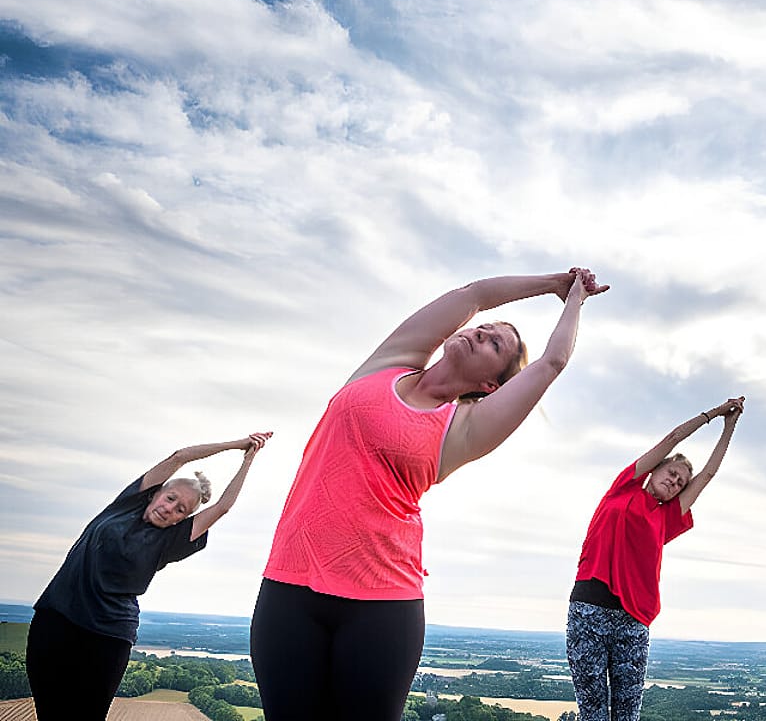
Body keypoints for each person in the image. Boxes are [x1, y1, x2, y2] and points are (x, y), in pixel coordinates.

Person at [251, 269, 607, 720]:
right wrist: (553, 281)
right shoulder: (387, 364)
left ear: (491, 387)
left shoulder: (463, 429)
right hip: (289, 587)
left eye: (494, 345)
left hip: (381, 606)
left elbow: (551, 363)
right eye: (484, 329)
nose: (480, 333)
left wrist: (574, 298)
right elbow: (474, 295)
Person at [25, 432, 272, 721]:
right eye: (170, 498)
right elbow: (179, 457)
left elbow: (223, 507)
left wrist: (248, 458)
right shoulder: (127, 503)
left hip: (107, 636)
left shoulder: (172, 540)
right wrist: (235, 444)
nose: (170, 508)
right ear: (155, 493)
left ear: (183, 519)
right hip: (55, 621)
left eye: (181, 509)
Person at [566, 397, 744, 721]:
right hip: (588, 611)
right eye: (672, 473)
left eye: (680, 483)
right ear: (656, 468)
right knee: (593, 714)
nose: (674, 482)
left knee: (627, 716)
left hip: (632, 622)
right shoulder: (623, 487)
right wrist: (714, 413)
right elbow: (673, 438)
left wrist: (729, 427)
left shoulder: (667, 519)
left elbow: (707, 475)